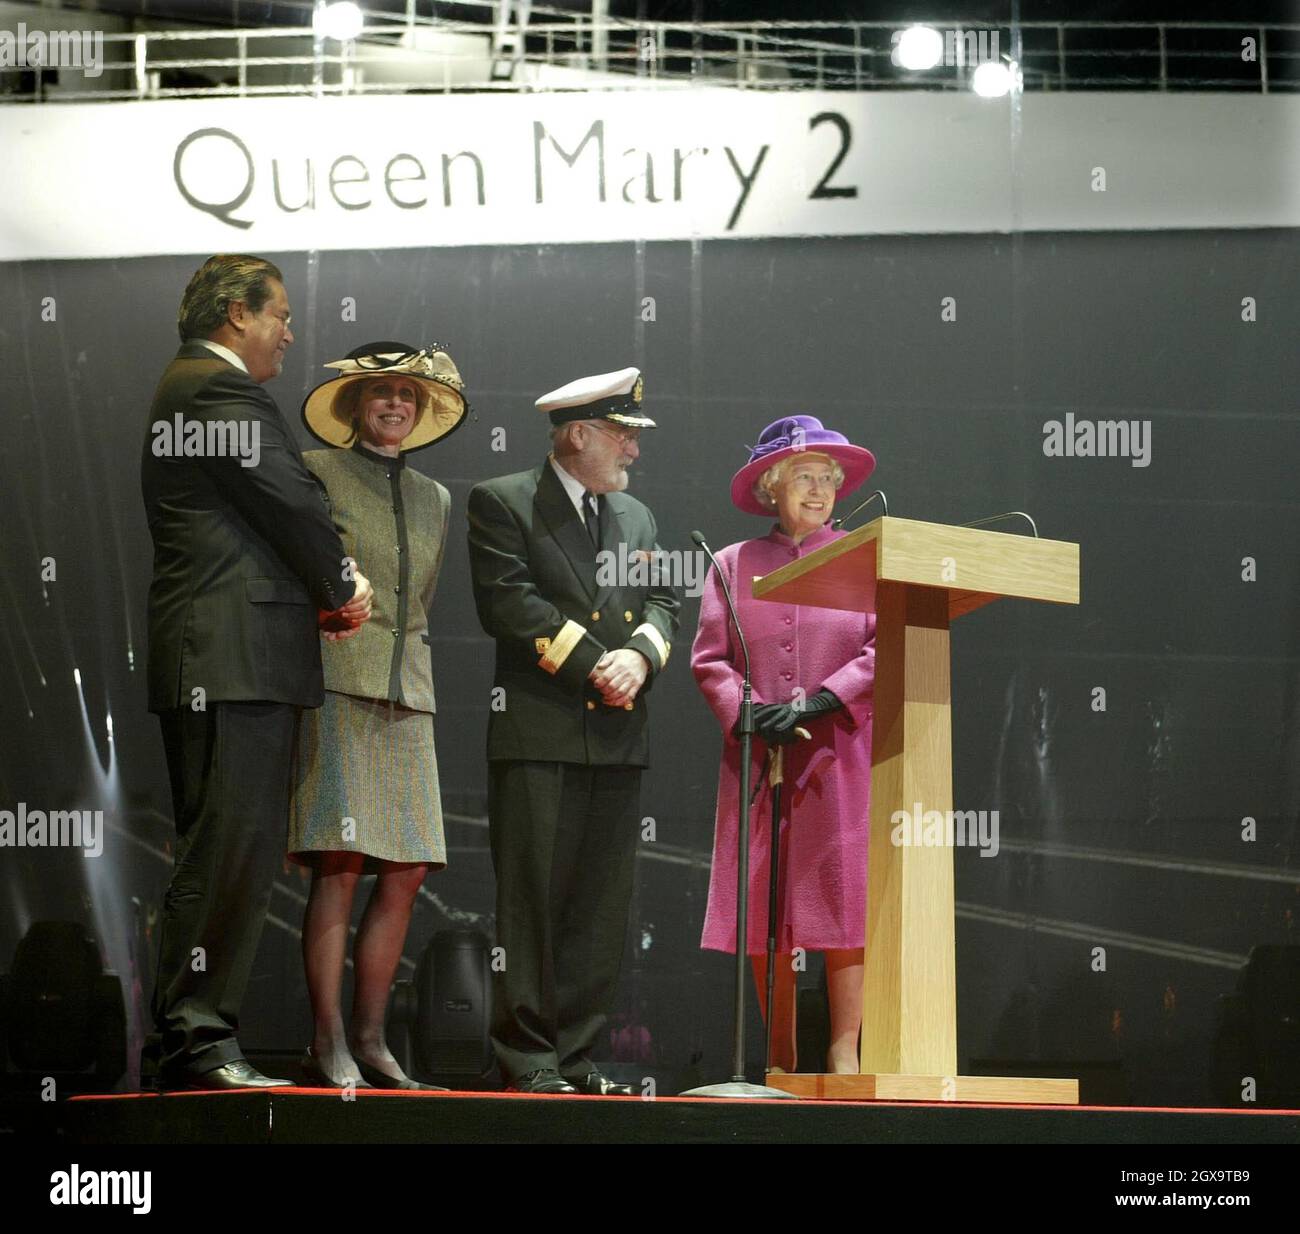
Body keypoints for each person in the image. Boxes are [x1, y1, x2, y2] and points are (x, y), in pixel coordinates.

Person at [141, 254, 374, 1091]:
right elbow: (290, 499)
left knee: (227, 848)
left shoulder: (194, 388)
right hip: (227, 659)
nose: (289, 333)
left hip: (229, 656)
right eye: (280, 315)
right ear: (238, 313)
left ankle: (192, 1041)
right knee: (226, 850)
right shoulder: (215, 389)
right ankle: (198, 1041)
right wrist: (343, 581)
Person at [466, 367, 680, 1094]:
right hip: (540, 733)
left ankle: (576, 1057)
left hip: (618, 737)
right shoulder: (502, 502)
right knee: (531, 903)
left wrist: (641, 658)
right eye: (623, 436)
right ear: (578, 434)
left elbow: (662, 601)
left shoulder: (639, 519)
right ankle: (527, 1058)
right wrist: (598, 664)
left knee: (599, 906)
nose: (634, 452)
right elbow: (509, 606)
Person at [289, 341, 467, 1091]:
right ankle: (326, 1037)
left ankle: (371, 1036)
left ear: (421, 410)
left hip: (410, 691)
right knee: (341, 859)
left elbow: (419, 602)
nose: (395, 405)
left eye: (407, 395)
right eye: (381, 393)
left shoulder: (436, 497)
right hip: (340, 681)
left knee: (408, 866)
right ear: (357, 406)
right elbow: (304, 566)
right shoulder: (318, 470)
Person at [691, 415, 877, 1075]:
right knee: (766, 900)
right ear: (773, 485)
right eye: (805, 478)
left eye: (828, 479)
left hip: (840, 757)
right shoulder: (732, 564)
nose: (821, 490)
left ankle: (843, 1053)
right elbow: (711, 659)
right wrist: (747, 713)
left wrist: (831, 695)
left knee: (843, 901)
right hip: (759, 756)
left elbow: (891, 644)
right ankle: (779, 1058)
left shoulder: (866, 555)